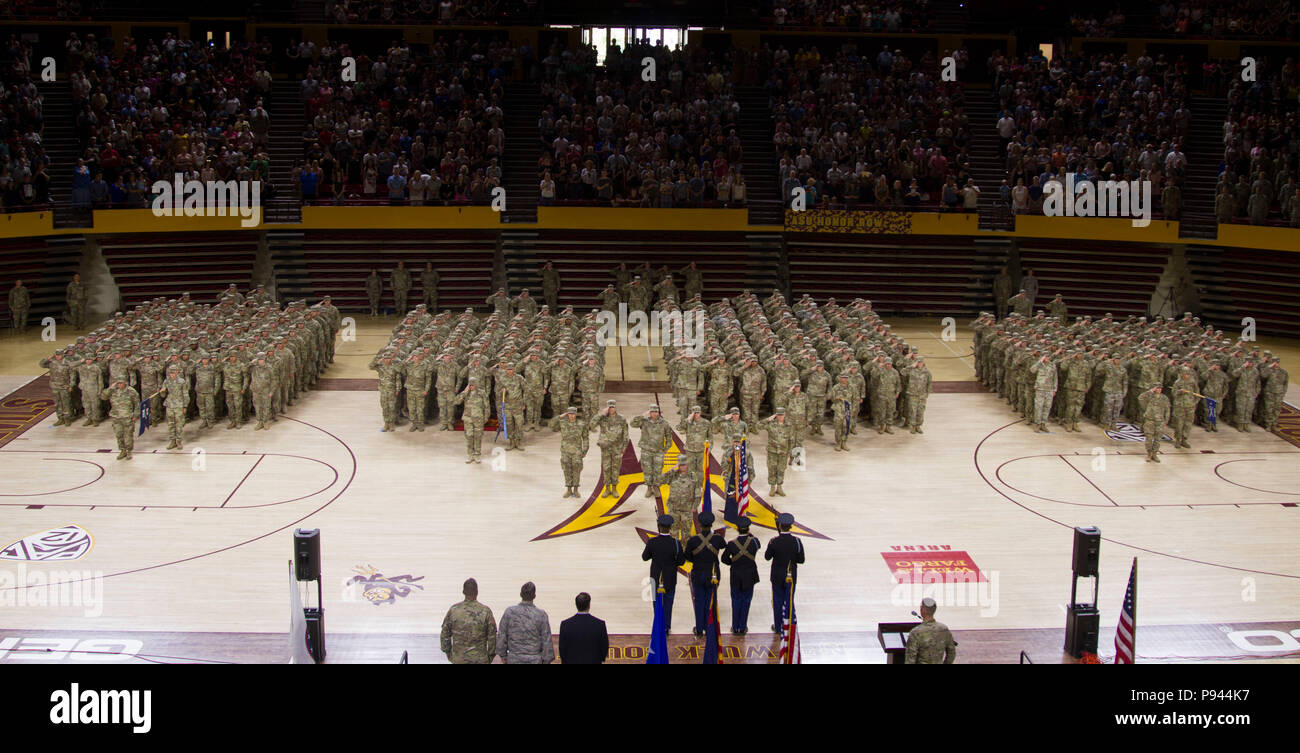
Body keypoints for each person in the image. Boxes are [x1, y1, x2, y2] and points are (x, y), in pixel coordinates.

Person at [685, 511, 727, 637]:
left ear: (699, 524)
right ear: (712, 524)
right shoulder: (718, 539)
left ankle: (699, 628)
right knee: (711, 600)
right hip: (713, 573)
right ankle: (710, 627)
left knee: (699, 601)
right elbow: (724, 546)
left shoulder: (693, 540)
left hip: (698, 573)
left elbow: (687, 556)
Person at [642, 513, 686, 633]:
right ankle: (667, 626)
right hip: (670, 577)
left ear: (658, 526)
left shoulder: (652, 542)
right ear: (670, 527)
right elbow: (681, 562)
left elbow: (644, 557)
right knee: (668, 602)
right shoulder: (676, 543)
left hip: (656, 577)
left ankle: (658, 624)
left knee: (656, 603)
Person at [440, 578, 497, 664]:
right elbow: (492, 637)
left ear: (463, 592)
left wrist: (449, 653)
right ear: (477, 592)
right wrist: (490, 656)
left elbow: (445, 634)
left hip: (459, 659)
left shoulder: (454, 610)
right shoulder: (486, 611)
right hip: (480, 659)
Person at [764, 512, 804, 633]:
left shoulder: (774, 541)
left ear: (779, 526)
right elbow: (801, 560)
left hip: (777, 576)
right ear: (791, 526)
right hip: (791, 575)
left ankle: (778, 626)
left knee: (777, 601)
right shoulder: (797, 541)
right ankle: (789, 624)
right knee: (789, 599)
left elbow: (767, 557)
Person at [497, 582, 554, 664]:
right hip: (535, 660)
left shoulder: (509, 612)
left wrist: (503, 655)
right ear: (534, 596)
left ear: (520, 594)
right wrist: (546, 660)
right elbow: (547, 641)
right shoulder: (541, 615)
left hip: (514, 659)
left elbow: (502, 635)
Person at [721, 516, 760, 635]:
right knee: (746, 601)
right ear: (748, 529)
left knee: (736, 600)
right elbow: (758, 544)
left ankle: (735, 626)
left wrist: (733, 562)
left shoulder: (732, 544)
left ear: (737, 529)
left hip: (736, 575)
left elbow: (724, 559)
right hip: (749, 575)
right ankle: (743, 626)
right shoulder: (754, 542)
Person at [630, 404, 671, 498]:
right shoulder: (644, 421)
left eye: (656, 411)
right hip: (646, 450)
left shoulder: (664, 423)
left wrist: (666, 448)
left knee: (658, 470)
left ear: (658, 412)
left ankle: (656, 487)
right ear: (649, 412)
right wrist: (642, 415)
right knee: (647, 470)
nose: (654, 413)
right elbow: (632, 423)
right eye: (652, 412)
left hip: (658, 451)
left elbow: (669, 436)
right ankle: (649, 488)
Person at [589, 400, 629, 497]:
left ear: (615, 407)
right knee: (606, 467)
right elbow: (591, 425)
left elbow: (625, 433)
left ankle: (614, 488)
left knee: (615, 468)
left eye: (613, 407)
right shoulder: (602, 418)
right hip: (605, 447)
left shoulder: (621, 418)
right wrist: (600, 414)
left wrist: (624, 446)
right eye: (610, 407)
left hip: (617, 447)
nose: (611, 409)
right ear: (607, 408)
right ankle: (607, 488)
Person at [558, 592, 609, 664]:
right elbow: (604, 648)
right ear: (589, 605)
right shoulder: (600, 624)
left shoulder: (565, 624)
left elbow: (562, 649)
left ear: (576, 605)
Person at [550, 406, 588, 497]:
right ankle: (568, 489)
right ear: (567, 414)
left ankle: (575, 489)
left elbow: (585, 438)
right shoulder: (563, 423)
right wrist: (559, 416)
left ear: (576, 414)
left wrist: (585, 450)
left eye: (573, 414)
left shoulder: (581, 424)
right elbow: (551, 425)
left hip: (577, 451)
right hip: (565, 451)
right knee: (566, 469)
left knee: (576, 469)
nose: (571, 415)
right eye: (570, 414)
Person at [905, 597, 957, 664]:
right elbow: (951, 653)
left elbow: (910, 660)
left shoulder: (915, 633)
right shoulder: (944, 629)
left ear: (922, 610)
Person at [100, 379, 141, 460]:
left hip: (127, 417)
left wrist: (135, 415)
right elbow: (103, 397)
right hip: (116, 417)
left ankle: (128, 451)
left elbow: (137, 404)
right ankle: (122, 450)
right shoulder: (113, 390)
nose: (119, 385)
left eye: (121, 383)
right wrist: (110, 388)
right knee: (119, 435)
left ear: (125, 382)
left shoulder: (131, 391)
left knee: (128, 435)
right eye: (117, 383)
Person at [453, 378, 490, 463]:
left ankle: (477, 454)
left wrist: (485, 418)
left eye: (473, 385)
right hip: (468, 418)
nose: (471, 387)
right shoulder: (466, 394)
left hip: (478, 419)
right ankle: (470, 454)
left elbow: (487, 406)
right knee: (469, 436)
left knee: (478, 437)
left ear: (476, 385)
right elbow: (456, 401)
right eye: (470, 385)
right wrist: (464, 392)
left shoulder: (482, 393)